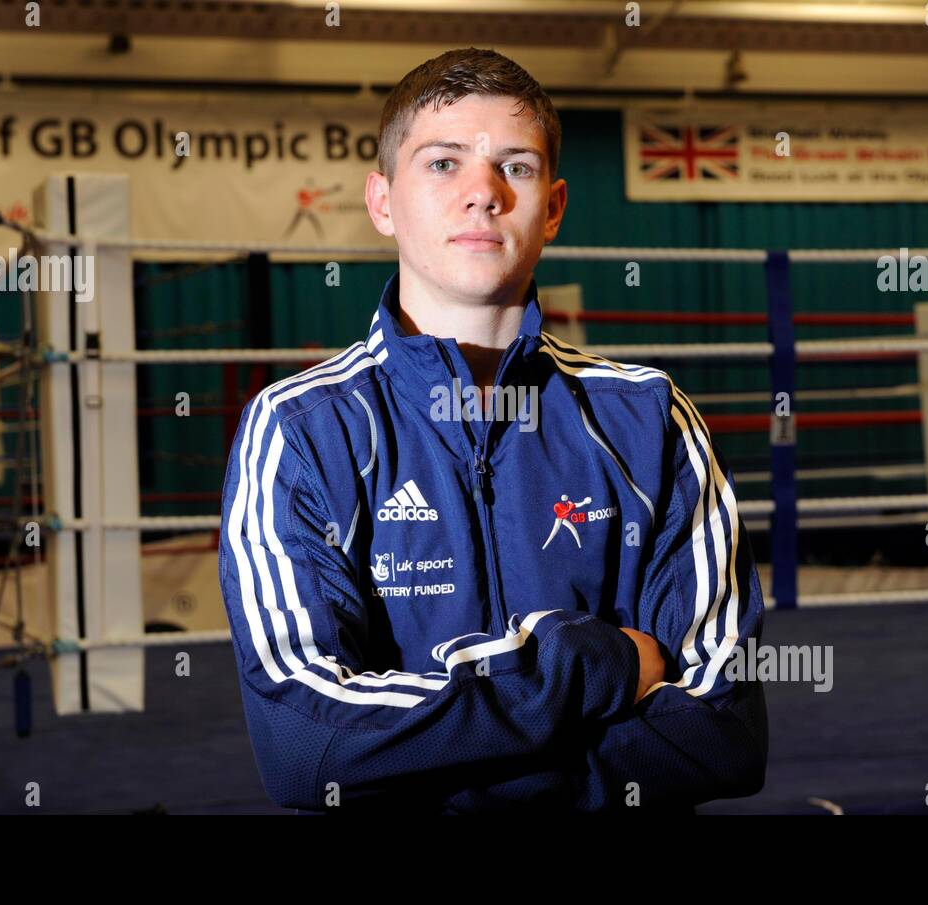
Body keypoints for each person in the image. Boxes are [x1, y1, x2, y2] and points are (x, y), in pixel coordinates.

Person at [219, 46, 768, 813]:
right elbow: (307, 748)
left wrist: (438, 759)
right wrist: (591, 660)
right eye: (443, 164)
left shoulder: (650, 417)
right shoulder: (302, 431)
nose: (482, 193)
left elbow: (723, 731)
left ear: (553, 206)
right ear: (382, 202)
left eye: (515, 166)